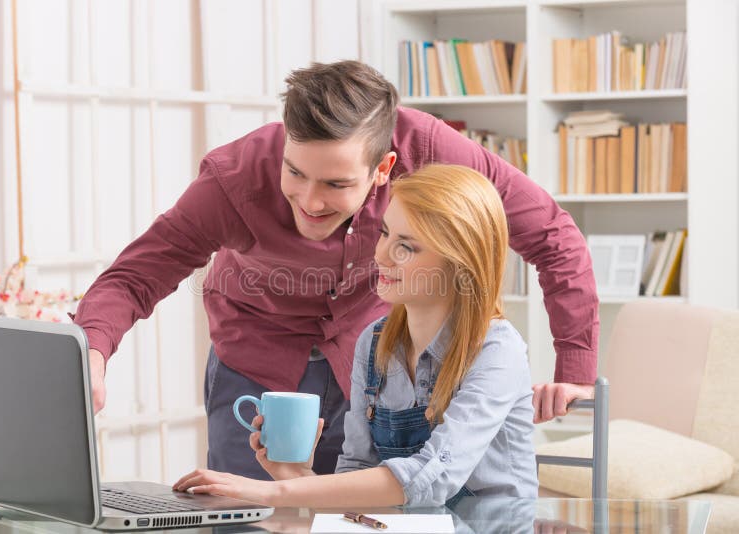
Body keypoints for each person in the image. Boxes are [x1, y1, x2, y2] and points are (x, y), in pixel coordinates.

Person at [72, 60, 598, 480]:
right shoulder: (232, 181)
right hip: (255, 365)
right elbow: (137, 274)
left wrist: (574, 369)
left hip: (374, 365)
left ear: (384, 169)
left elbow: (552, 235)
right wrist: (93, 347)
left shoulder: (434, 152)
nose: (308, 200)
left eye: (335, 185)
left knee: (359, 520)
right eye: (295, 173)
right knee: (248, 519)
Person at [173, 164, 538, 507]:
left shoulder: (496, 349)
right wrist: (296, 474)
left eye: (406, 247)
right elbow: (358, 475)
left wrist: (279, 492)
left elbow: (432, 477)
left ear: (460, 264)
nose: (381, 254)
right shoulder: (374, 344)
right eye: (384, 233)